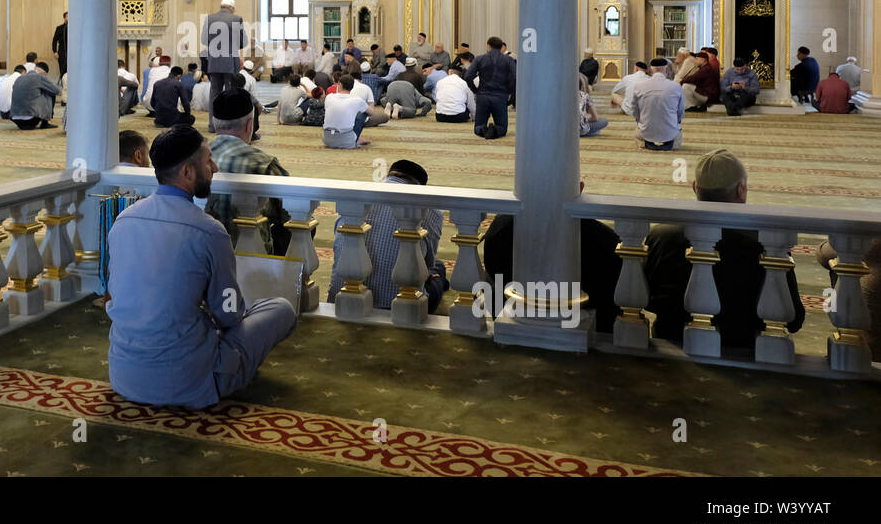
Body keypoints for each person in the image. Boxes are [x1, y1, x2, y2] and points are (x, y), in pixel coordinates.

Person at [105, 125, 297, 409]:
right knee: (281, 308)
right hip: (191, 383)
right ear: (187, 172)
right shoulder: (209, 231)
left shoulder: (124, 220)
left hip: (124, 376)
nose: (215, 166)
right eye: (208, 160)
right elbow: (229, 314)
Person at [643, 148, 805, 348]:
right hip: (744, 349)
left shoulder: (662, 236)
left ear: (695, 188)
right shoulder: (769, 246)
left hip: (672, 343)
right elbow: (793, 319)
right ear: (741, 190)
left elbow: (645, 298)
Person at [481, 182, 622, 333]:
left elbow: (494, 268)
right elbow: (616, 293)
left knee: (491, 282)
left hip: (512, 310)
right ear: (579, 190)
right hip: (587, 322)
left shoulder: (501, 226)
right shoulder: (606, 241)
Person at [326, 160, 448, 312]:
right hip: (402, 305)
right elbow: (427, 265)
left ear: (389, 175)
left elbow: (338, 247)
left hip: (342, 297)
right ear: (419, 187)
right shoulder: (431, 209)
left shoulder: (354, 199)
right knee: (438, 268)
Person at [205, 89, 291, 255]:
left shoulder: (195, 159)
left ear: (215, 122)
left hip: (204, 256)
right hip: (251, 260)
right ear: (249, 125)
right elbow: (292, 213)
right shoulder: (263, 164)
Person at [200, 0, 247, 127]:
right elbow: (243, 42)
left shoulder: (209, 18)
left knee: (214, 92)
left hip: (214, 62)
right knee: (231, 92)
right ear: (231, 8)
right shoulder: (236, 19)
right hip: (230, 63)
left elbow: (204, 40)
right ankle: (229, 124)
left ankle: (213, 125)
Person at [624, 58, 684, 150]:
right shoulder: (676, 87)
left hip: (645, 131)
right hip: (670, 133)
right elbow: (680, 112)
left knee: (637, 134)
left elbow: (634, 110)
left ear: (651, 69)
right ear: (667, 70)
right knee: (678, 135)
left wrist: (641, 122)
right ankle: (670, 144)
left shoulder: (639, 86)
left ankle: (645, 143)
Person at [463, 36, 515, 139]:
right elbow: (516, 77)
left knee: (477, 128)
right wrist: (509, 91)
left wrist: (476, 90)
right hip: (500, 97)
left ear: (488, 46)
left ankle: (484, 129)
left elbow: (468, 76)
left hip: (483, 96)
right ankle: (494, 129)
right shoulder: (508, 60)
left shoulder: (480, 59)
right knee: (502, 129)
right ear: (501, 47)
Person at [7, 61, 59, 129]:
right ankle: (45, 123)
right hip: (31, 119)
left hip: (15, 118)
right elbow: (56, 90)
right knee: (49, 92)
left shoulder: (19, 78)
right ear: (44, 73)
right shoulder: (39, 77)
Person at [323, 75, 369, 149]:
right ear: (352, 87)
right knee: (362, 114)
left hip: (327, 140)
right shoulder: (357, 100)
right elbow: (371, 112)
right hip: (347, 142)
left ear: (340, 84)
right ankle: (355, 139)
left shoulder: (329, 97)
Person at [578, 73, 608, 137]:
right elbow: (595, 118)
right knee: (604, 121)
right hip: (580, 129)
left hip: (565, 129)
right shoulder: (585, 95)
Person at [52, 12, 68, 77]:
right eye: (67, 16)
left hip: (73, 53)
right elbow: (54, 40)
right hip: (62, 52)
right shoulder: (60, 28)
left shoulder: (75, 28)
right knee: (63, 71)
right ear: (64, 18)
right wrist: (55, 51)